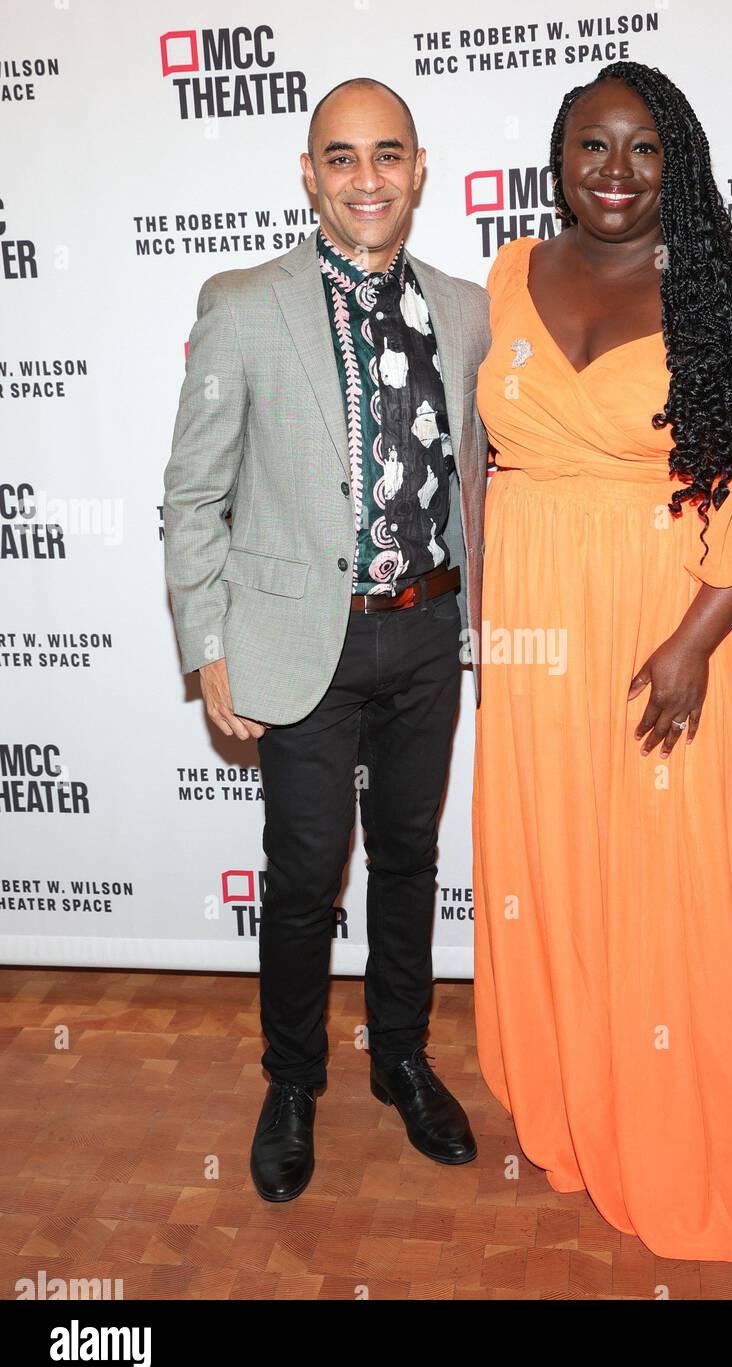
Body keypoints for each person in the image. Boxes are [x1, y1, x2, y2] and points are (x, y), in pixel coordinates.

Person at [471, 61, 732, 1260]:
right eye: (592, 147)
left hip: (680, 630)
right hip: (541, 638)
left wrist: (689, 641)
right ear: (558, 157)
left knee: (666, 871)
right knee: (563, 857)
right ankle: (578, 1077)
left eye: (642, 148)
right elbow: (491, 464)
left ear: (677, 161)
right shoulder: (511, 273)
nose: (615, 172)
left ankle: (672, 1106)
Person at [162, 78, 490, 1202]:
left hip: (427, 632)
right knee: (304, 879)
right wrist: (208, 642)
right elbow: (193, 491)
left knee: (409, 863)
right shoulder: (243, 301)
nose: (366, 179)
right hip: (300, 643)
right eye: (341, 158)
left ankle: (400, 1058)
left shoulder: (467, 307)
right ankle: (293, 1080)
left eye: (386, 156)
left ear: (419, 168)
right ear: (309, 174)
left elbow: (488, 477)